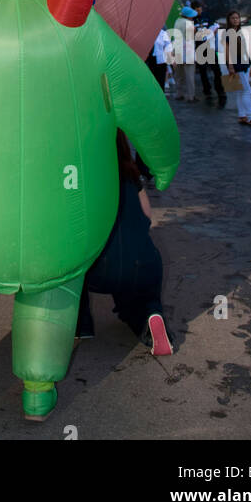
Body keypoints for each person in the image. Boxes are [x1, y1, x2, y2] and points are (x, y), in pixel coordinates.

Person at [77, 131, 173, 355]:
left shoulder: (85, 177)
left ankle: (81, 326)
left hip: (100, 267)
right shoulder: (133, 176)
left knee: (71, 265)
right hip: (146, 263)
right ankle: (151, 315)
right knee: (134, 300)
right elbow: (147, 216)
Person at [222, 10, 251, 128]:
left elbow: (245, 49)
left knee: (241, 91)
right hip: (237, 65)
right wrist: (230, 66)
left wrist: (249, 65)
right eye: (233, 18)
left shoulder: (238, 32)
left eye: (237, 18)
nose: (236, 20)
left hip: (244, 63)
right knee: (246, 91)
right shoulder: (228, 33)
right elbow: (227, 51)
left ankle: (242, 115)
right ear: (229, 20)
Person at [195, 13, 226, 107]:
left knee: (216, 71)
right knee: (204, 71)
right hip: (200, 50)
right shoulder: (193, 21)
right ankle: (208, 90)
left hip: (210, 49)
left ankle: (219, 90)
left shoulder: (209, 18)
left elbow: (216, 29)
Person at [171, 3, 198, 102]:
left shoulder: (177, 22)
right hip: (188, 53)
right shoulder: (189, 24)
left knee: (179, 75)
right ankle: (191, 96)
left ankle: (179, 94)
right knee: (189, 76)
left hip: (178, 52)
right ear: (188, 16)